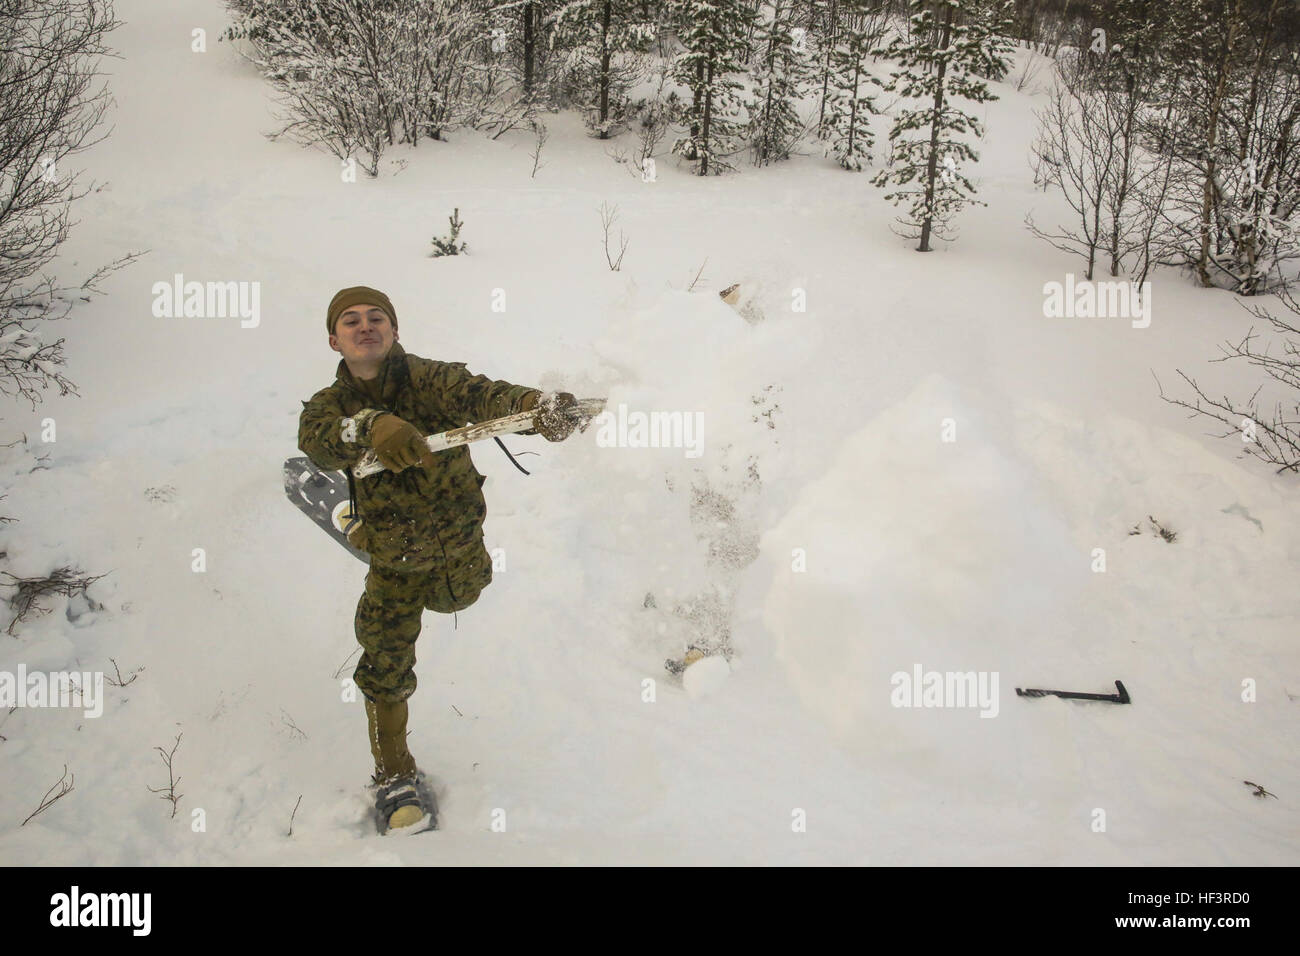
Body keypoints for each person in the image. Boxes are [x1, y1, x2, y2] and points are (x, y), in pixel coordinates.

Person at [298, 285, 577, 831]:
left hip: (459, 553)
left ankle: (351, 523)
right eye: (350, 321)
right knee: (385, 662)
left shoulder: (431, 380)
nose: (365, 326)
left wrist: (533, 408)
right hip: (394, 561)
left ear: (395, 330)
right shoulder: (330, 405)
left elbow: (482, 395)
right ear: (335, 341)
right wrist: (370, 425)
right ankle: (394, 775)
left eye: (376, 317)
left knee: (463, 597)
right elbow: (318, 439)